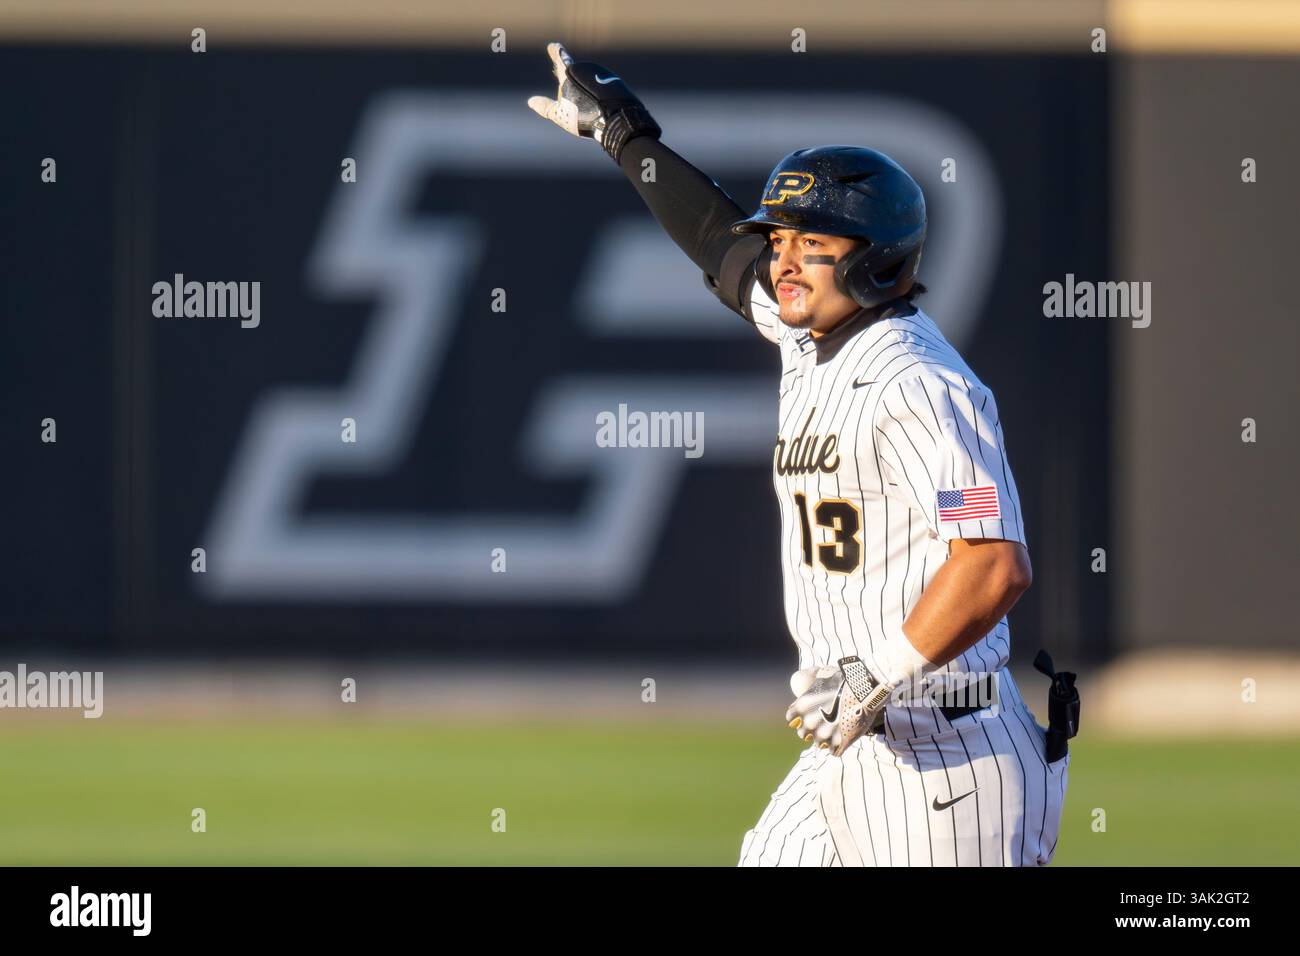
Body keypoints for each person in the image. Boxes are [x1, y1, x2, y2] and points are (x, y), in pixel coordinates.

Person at [528, 42, 1069, 867]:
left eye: (810, 241)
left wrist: (875, 675)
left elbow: (993, 565)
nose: (783, 259)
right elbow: (719, 243)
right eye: (781, 237)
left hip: (948, 759)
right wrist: (627, 138)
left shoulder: (916, 382)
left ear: (875, 256)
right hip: (852, 743)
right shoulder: (807, 336)